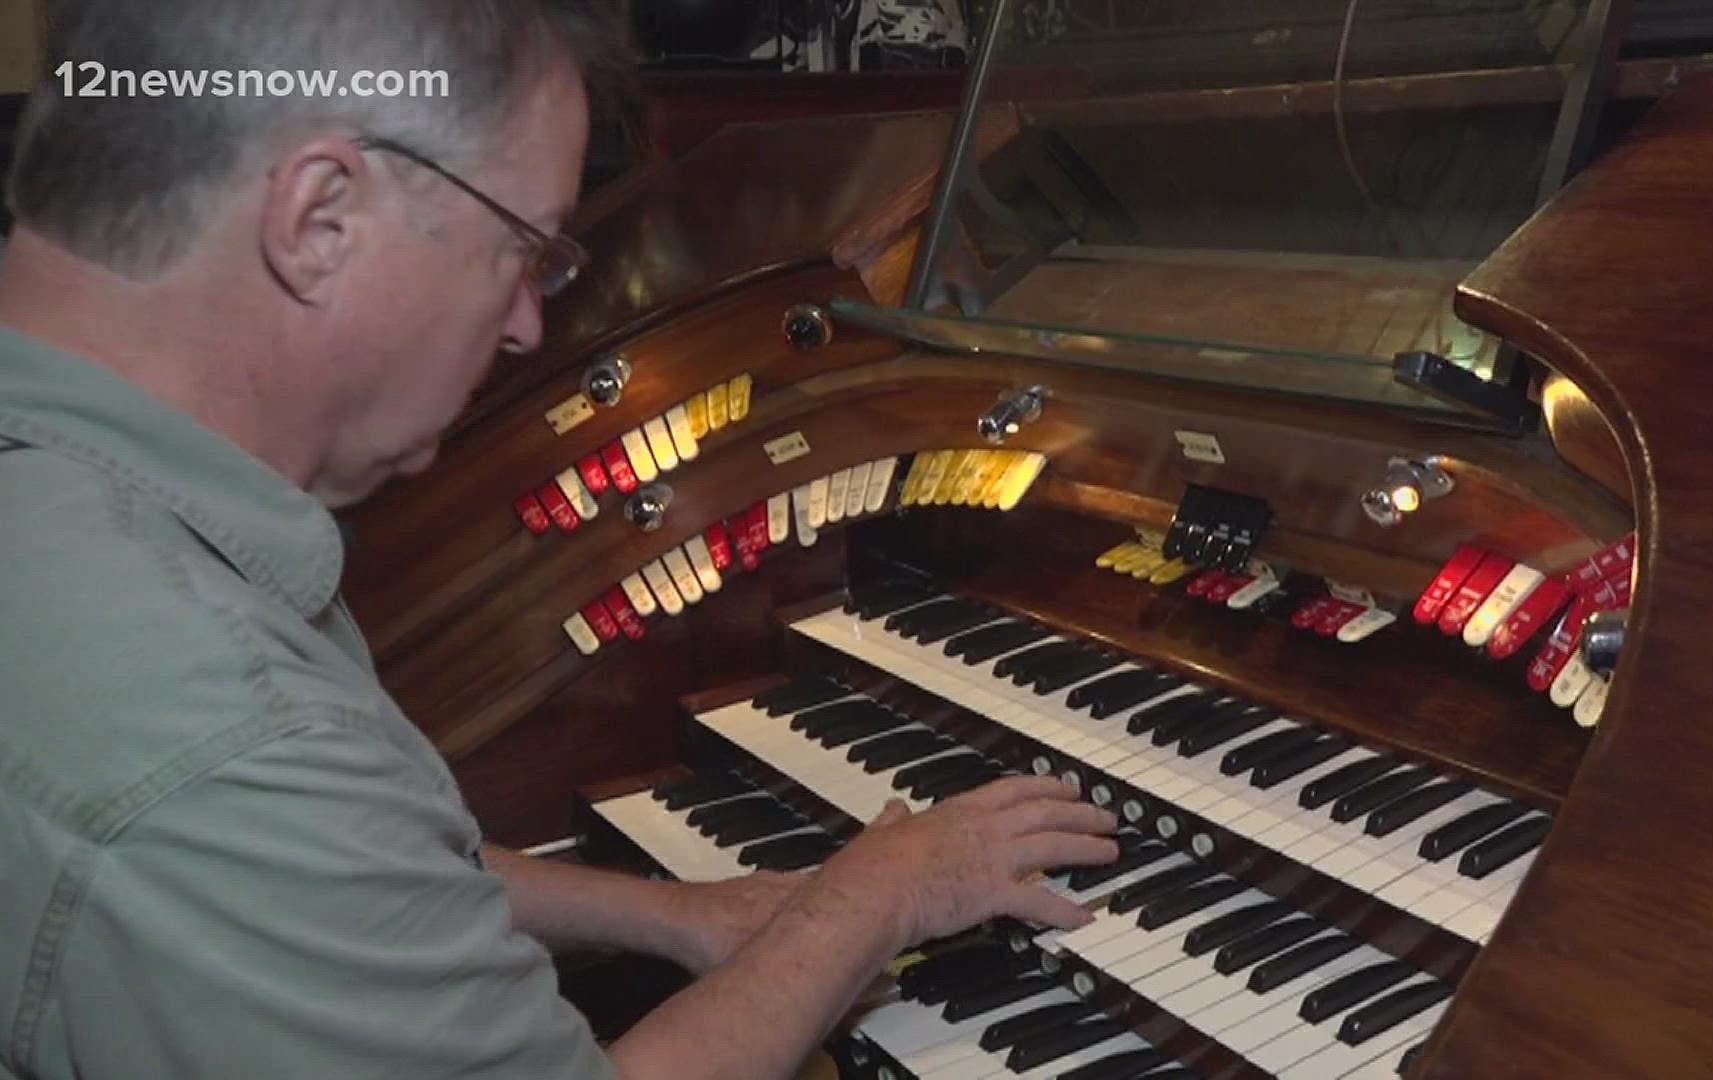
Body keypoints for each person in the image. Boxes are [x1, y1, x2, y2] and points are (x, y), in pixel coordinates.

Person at [0, 2, 1119, 1078]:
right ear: (319, 220)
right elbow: (273, 818)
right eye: (524, 250)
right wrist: (882, 893)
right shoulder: (228, 739)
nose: (532, 324)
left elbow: (349, 877)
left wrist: (670, 913)